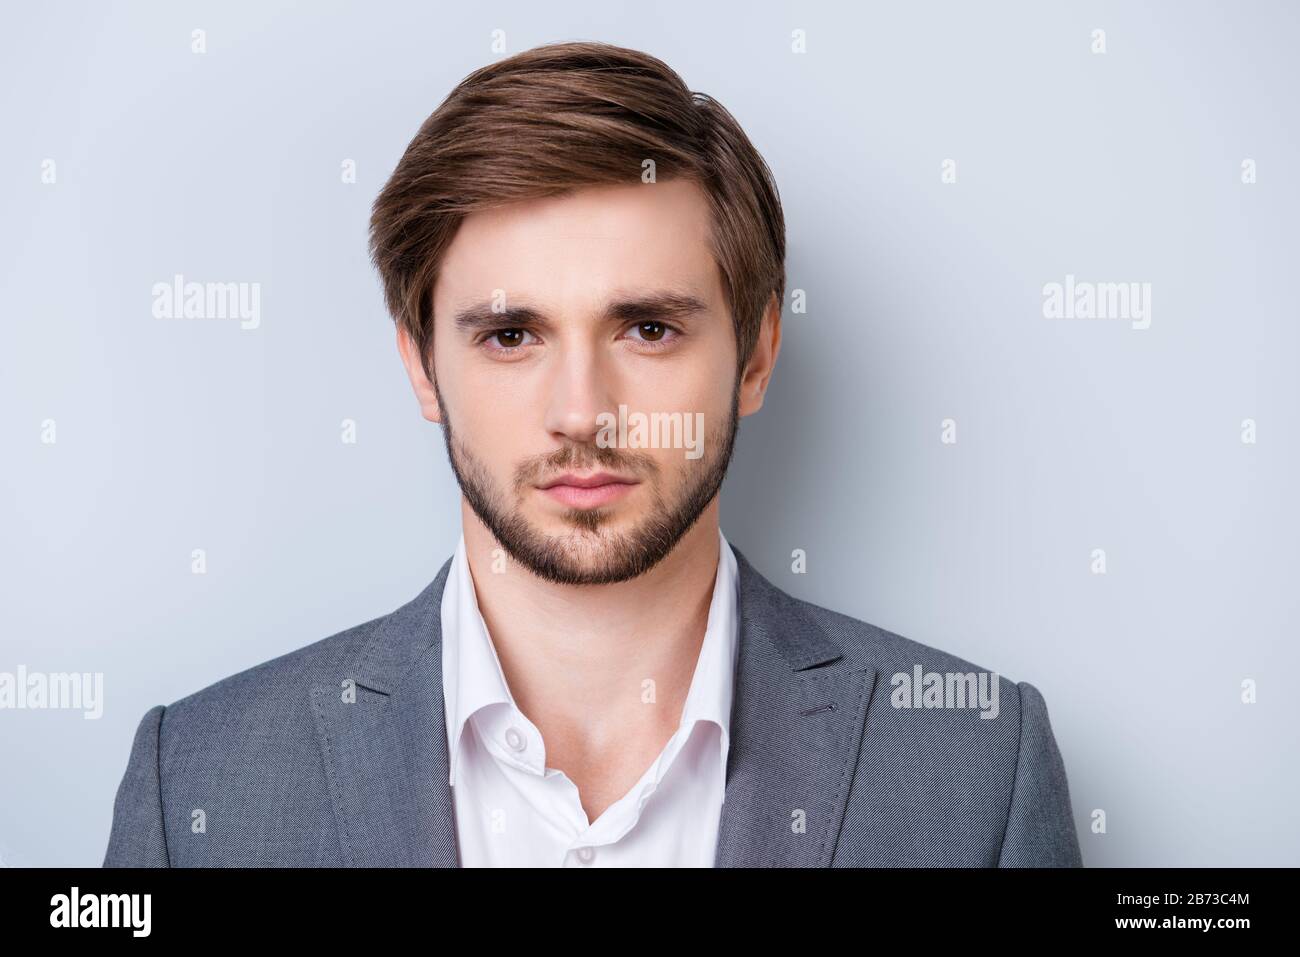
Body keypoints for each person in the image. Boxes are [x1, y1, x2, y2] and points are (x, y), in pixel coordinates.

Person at [104, 40, 1081, 867]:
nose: (581, 414)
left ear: (756, 356)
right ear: (421, 367)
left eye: (648, 329)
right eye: (509, 336)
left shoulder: (976, 766)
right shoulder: (193, 784)